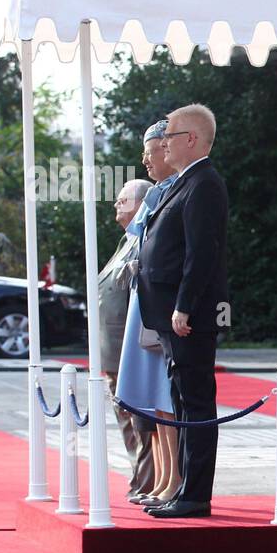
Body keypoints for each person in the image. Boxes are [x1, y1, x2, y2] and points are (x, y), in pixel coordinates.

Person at [137, 104, 230, 519]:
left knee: (194, 401)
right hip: (170, 313)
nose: (163, 144)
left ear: (191, 139)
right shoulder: (184, 182)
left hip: (187, 315)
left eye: (170, 136)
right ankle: (185, 490)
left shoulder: (204, 184)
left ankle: (195, 494)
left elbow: (201, 254)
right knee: (182, 398)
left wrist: (184, 306)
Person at [116, 121, 180, 509]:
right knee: (152, 404)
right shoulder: (160, 192)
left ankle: (173, 479)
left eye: (151, 150)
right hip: (146, 304)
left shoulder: (172, 191)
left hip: (161, 306)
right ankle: (163, 478)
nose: (146, 159)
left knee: (165, 398)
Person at [99, 177, 155, 499]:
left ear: (141, 204)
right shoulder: (127, 240)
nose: (117, 205)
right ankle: (140, 476)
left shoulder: (142, 239)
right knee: (127, 421)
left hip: (128, 349)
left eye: (123, 200)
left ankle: (146, 480)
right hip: (113, 351)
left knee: (139, 420)